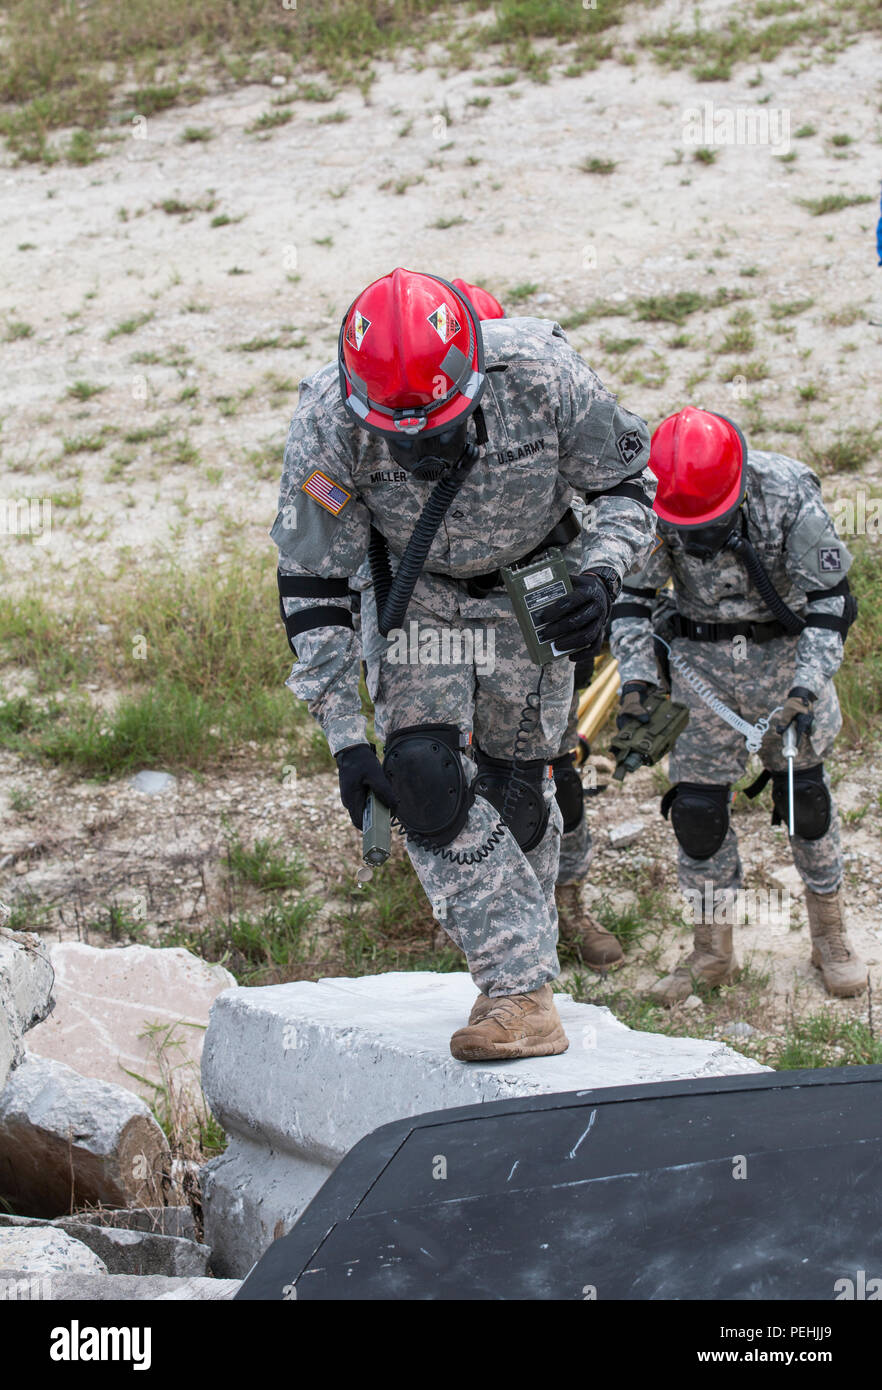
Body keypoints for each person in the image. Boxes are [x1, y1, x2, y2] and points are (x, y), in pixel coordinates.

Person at [272, 267, 657, 1060]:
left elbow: (631, 487)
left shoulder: (544, 376)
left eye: (440, 428)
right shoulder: (326, 420)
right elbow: (311, 581)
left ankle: (518, 970)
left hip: (534, 590)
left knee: (519, 796)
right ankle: (521, 991)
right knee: (424, 776)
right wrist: (348, 740)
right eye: (402, 435)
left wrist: (602, 575)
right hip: (418, 599)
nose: (421, 448)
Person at [609, 405, 865, 1004]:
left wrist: (806, 687)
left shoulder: (786, 493)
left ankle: (831, 936)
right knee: (697, 815)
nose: (696, 538)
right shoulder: (653, 498)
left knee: (807, 801)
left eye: (710, 522)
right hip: (702, 675)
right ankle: (711, 950)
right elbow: (632, 595)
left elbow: (831, 600)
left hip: (786, 665)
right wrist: (638, 681)